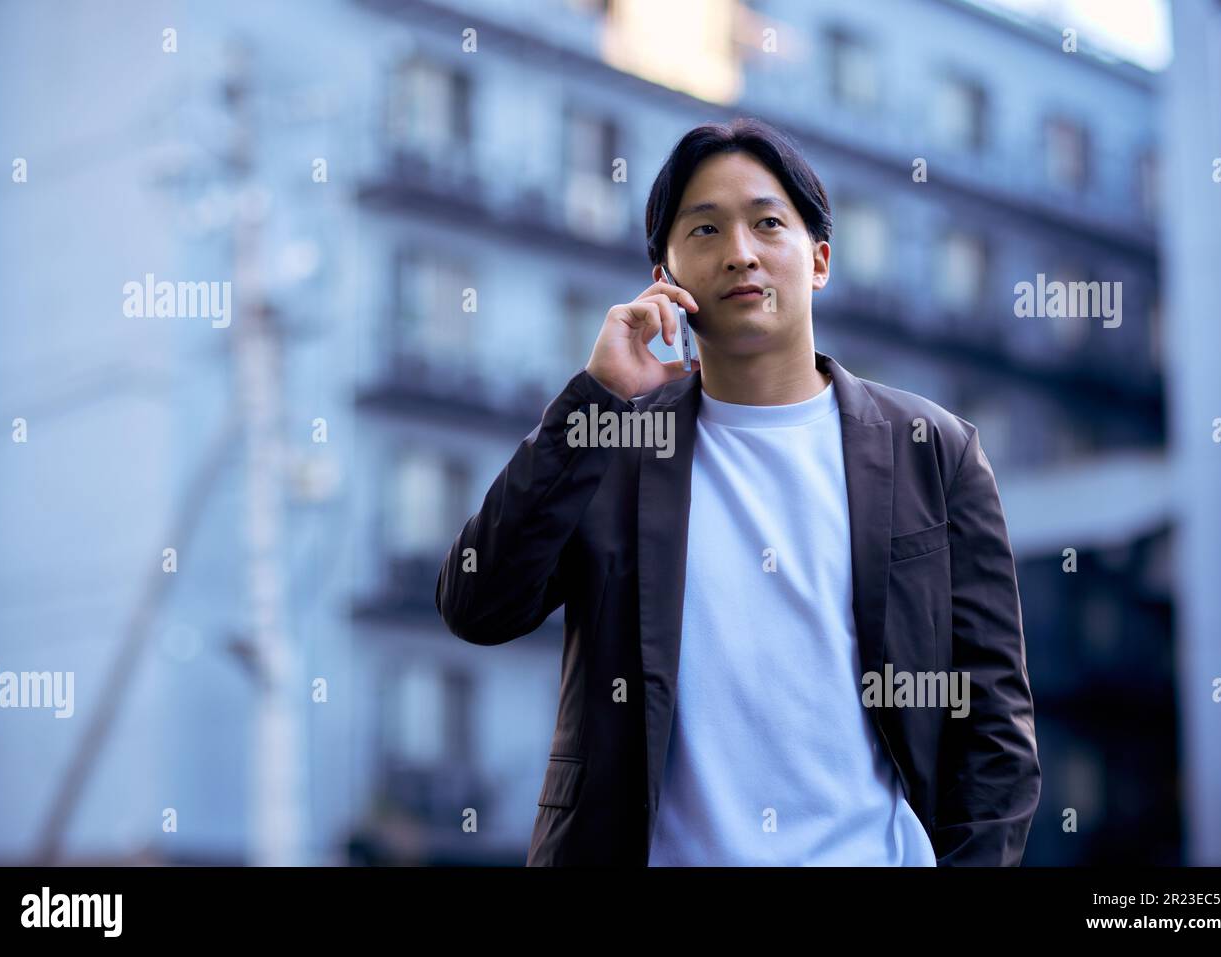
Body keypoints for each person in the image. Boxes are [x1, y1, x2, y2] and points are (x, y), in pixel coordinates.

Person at [436, 117, 1040, 866]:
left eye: (767, 223)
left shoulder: (934, 451)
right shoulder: (612, 448)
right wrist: (594, 399)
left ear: (817, 259)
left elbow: (993, 724)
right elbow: (478, 605)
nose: (741, 253)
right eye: (705, 231)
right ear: (665, 277)